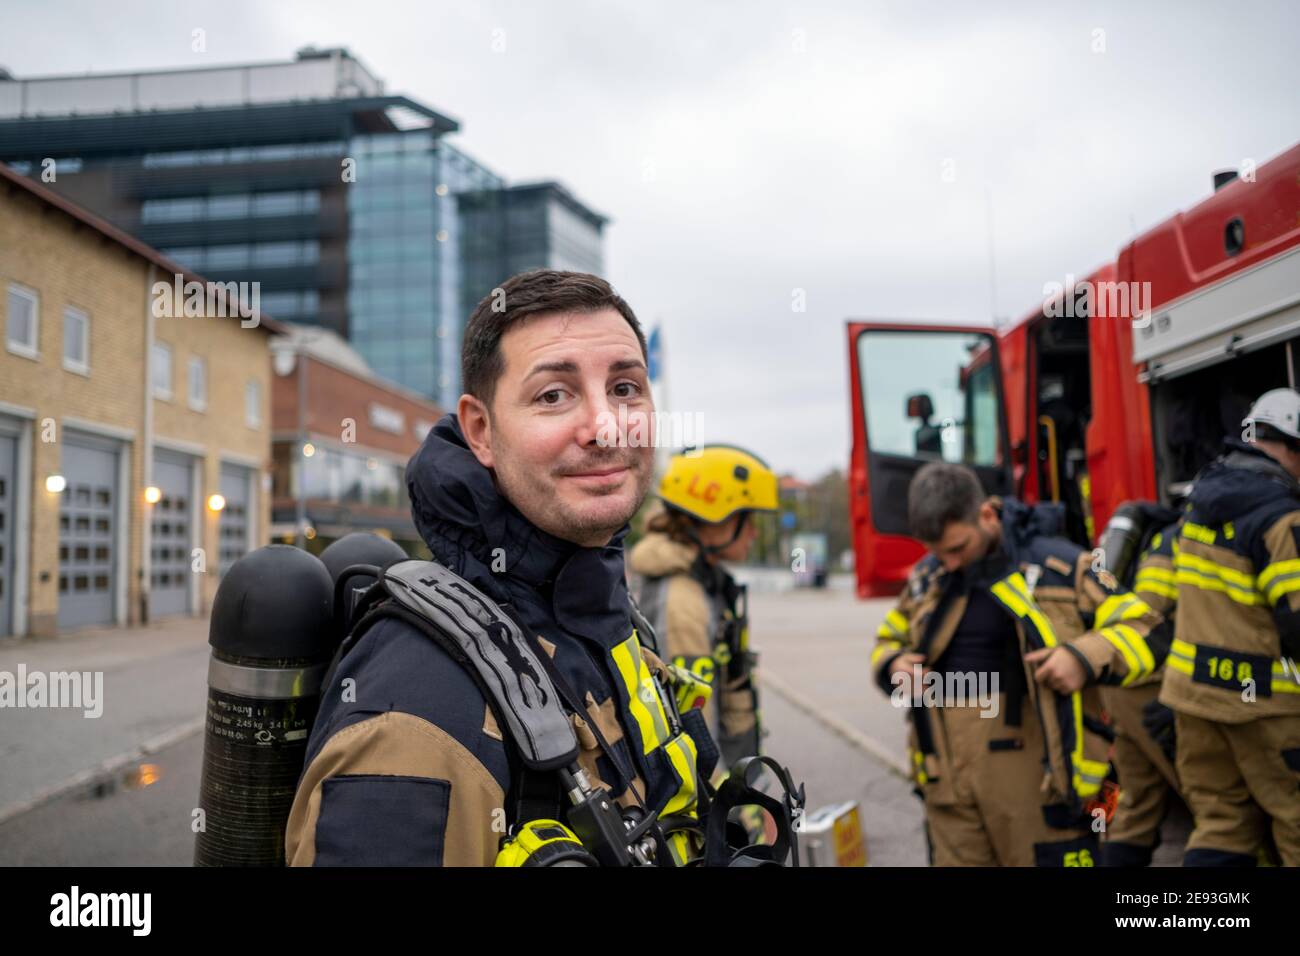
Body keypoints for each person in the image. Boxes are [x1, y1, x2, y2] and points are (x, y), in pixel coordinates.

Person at [284, 269, 713, 866]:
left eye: (625, 388)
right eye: (553, 395)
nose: (606, 427)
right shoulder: (412, 716)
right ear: (481, 431)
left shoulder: (606, 620)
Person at [870, 462, 1167, 866]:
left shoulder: (1064, 567)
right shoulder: (929, 576)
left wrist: (1082, 658)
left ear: (987, 515)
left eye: (958, 548)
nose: (950, 563)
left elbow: (1147, 629)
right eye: (938, 553)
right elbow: (889, 636)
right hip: (946, 788)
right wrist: (893, 664)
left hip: (1040, 784)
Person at [1159, 387, 1300, 866]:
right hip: (1262, 706)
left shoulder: (1200, 500)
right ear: (1290, 446)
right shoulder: (1281, 518)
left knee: (1221, 826)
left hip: (1193, 698)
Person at [628, 445, 778, 769]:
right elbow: (693, 730)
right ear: (708, 517)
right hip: (716, 794)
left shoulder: (704, 582)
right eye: (744, 517)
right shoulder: (682, 603)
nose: (753, 532)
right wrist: (729, 810)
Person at [1099, 517, 1184, 866]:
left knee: (1136, 807)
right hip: (1150, 685)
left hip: (1118, 682)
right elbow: (1154, 618)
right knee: (1224, 813)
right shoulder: (1195, 535)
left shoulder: (1162, 536)